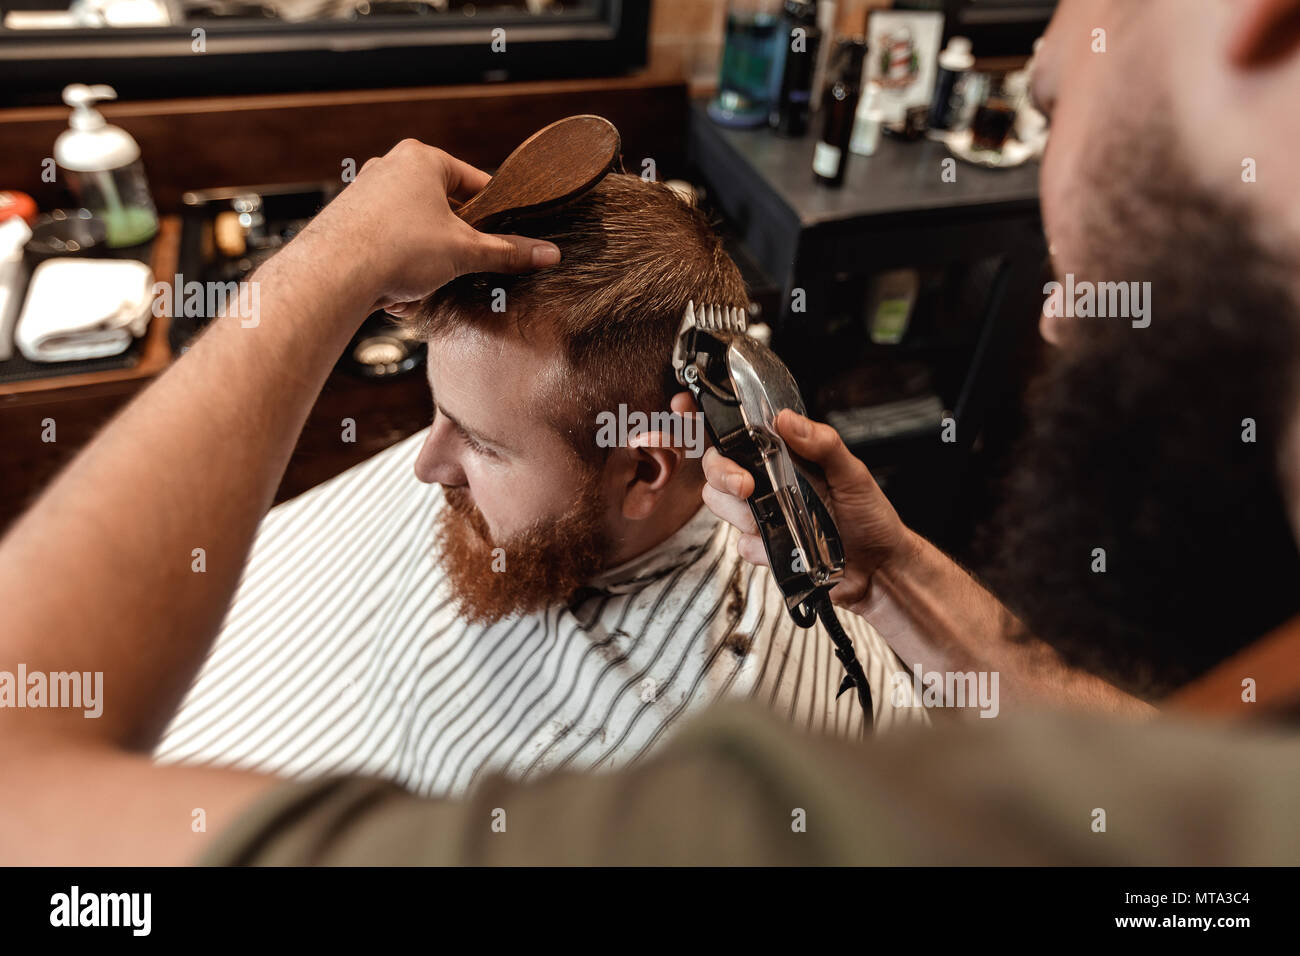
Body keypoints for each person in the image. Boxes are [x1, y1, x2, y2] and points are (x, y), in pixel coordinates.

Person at [3, 0, 1299, 867]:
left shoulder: (743, 807)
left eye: (1060, 109)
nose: (420, 466)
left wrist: (321, 267)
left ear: (643, 468)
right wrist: (893, 568)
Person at [150, 173, 926, 801]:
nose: (425, 467)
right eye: (438, 415)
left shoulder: (717, 759)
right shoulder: (513, 467)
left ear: (644, 471)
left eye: (482, 445)